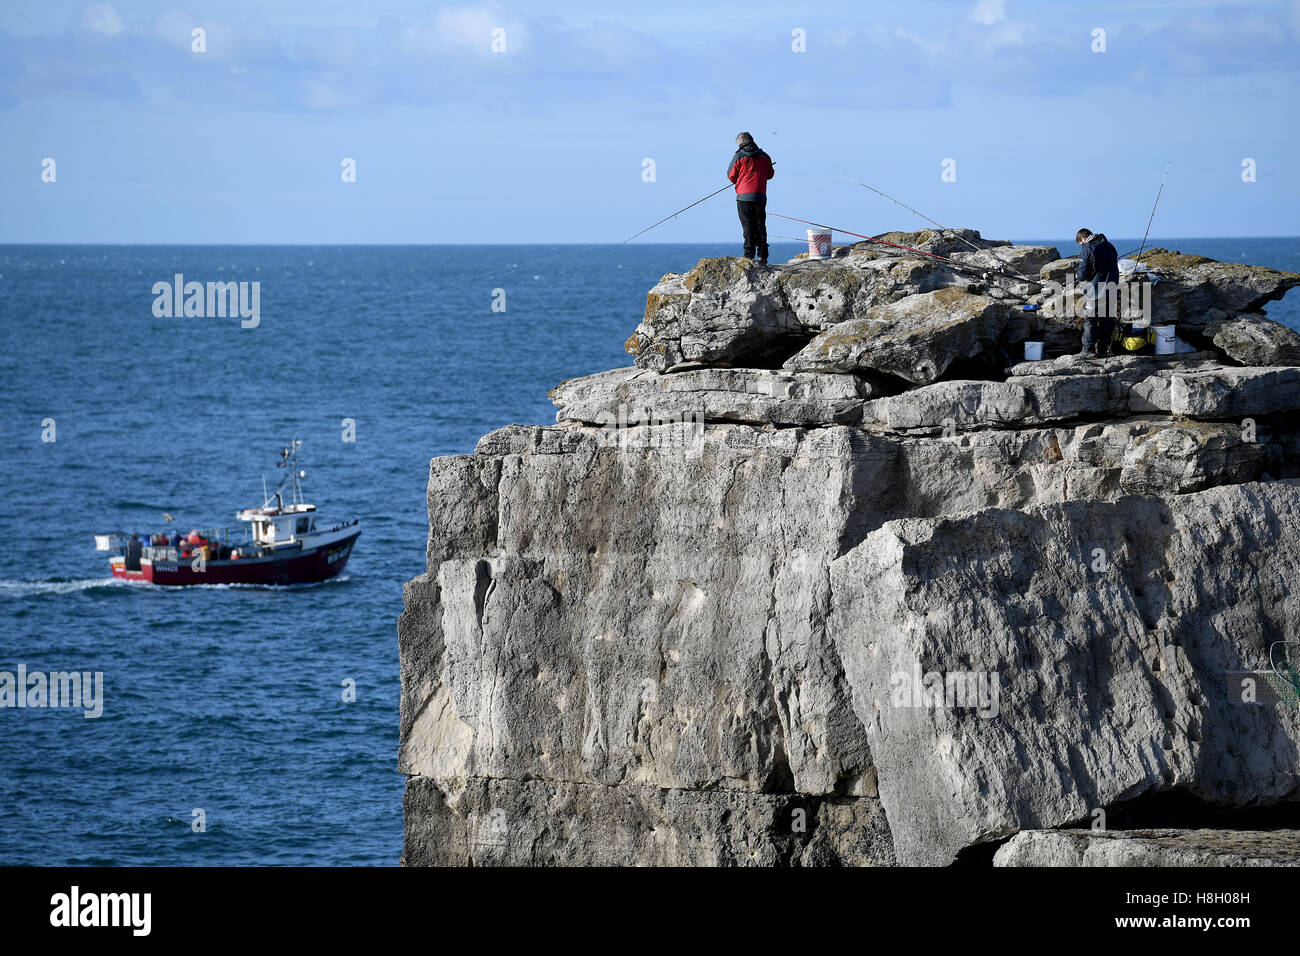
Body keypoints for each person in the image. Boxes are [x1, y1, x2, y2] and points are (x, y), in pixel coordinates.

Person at [727, 132, 775, 265]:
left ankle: (749, 255)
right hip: (760, 195)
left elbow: (731, 176)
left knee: (747, 226)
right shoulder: (765, 156)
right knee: (760, 225)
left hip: (743, 197)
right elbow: (770, 174)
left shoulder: (738, 156)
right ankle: (762, 256)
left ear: (740, 142)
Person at [1075, 228, 1120, 356]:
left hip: (1094, 291)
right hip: (1111, 289)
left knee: (1090, 321)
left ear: (1083, 239)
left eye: (1081, 243)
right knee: (1106, 322)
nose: (1082, 246)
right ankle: (1102, 350)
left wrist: (1078, 278)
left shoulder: (1087, 248)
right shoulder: (1110, 246)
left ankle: (1088, 350)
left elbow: (1082, 274)